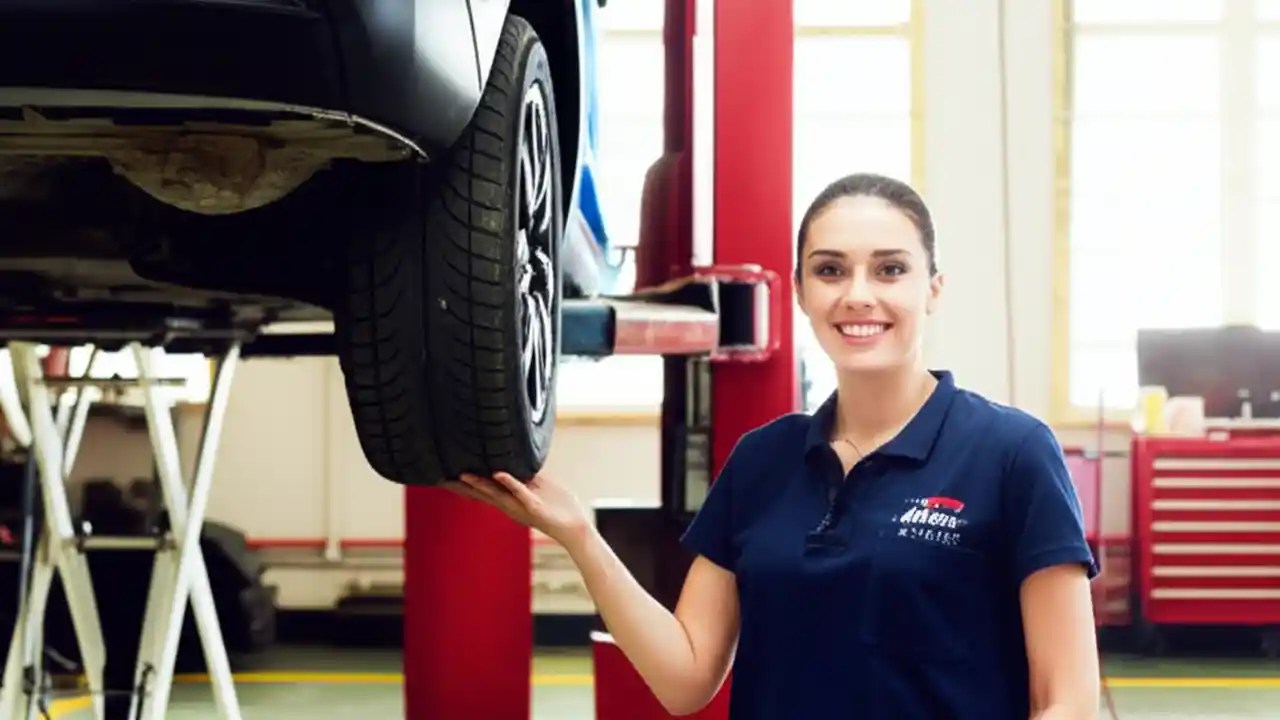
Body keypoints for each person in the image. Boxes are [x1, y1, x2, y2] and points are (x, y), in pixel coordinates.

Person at [448, 173, 1102, 719]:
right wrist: (581, 540)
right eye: (830, 270)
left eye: (890, 269)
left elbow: (1066, 700)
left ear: (932, 288)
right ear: (800, 292)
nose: (858, 295)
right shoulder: (763, 460)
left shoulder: (1012, 454)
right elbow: (686, 679)